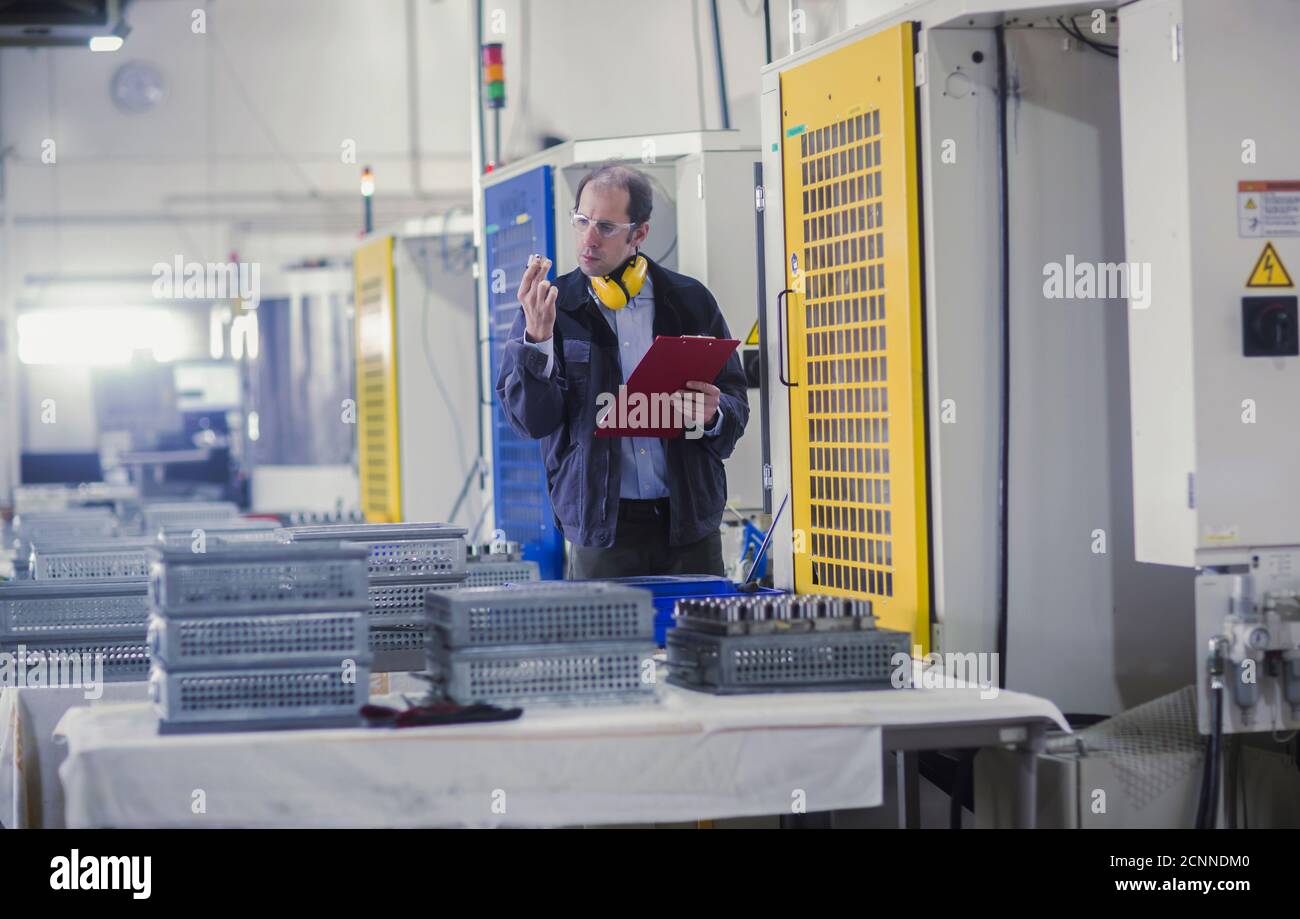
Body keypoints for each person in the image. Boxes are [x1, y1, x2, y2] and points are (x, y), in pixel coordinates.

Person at [496, 163, 749, 579]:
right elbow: (531, 421)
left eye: (607, 227)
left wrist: (716, 413)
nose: (589, 239)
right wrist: (538, 341)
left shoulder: (689, 302)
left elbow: (735, 403)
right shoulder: (552, 308)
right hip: (603, 528)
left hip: (689, 525)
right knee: (610, 645)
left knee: (699, 641)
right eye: (582, 221)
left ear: (640, 234)